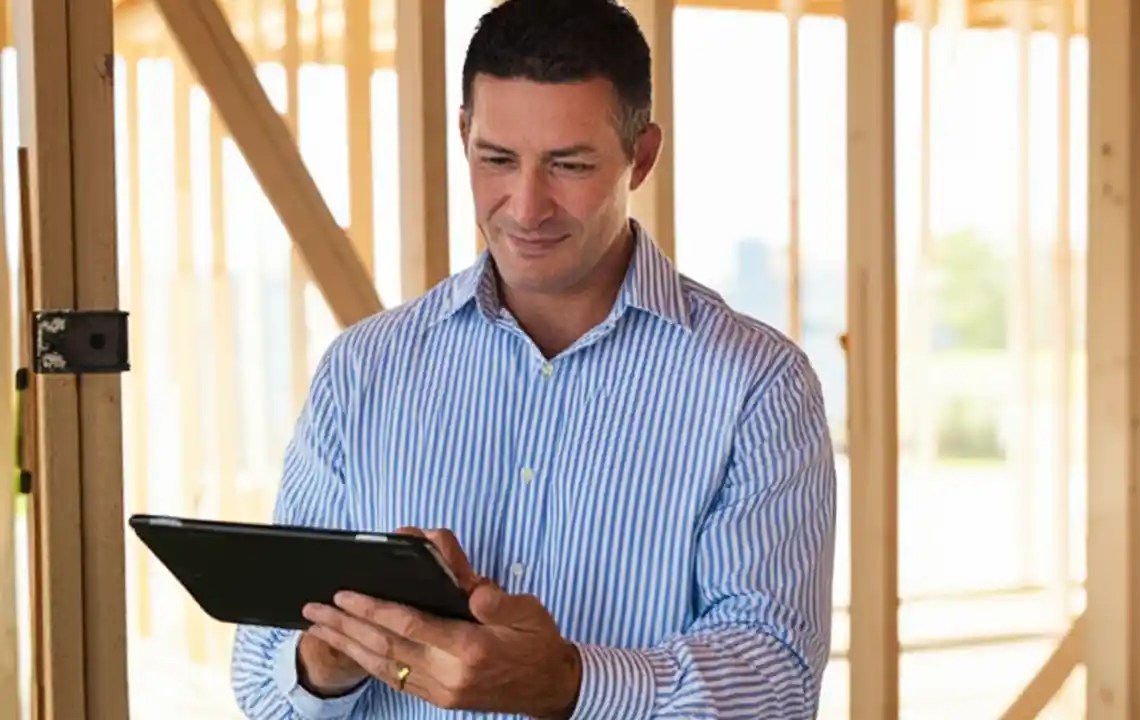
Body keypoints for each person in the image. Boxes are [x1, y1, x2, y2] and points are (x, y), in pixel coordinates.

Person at [230, 0, 836, 717]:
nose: (525, 206)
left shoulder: (758, 385)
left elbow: (776, 682)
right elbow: (261, 686)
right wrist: (331, 655)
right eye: (496, 160)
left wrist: (572, 683)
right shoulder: (364, 369)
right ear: (463, 136)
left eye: (568, 165)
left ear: (641, 156)